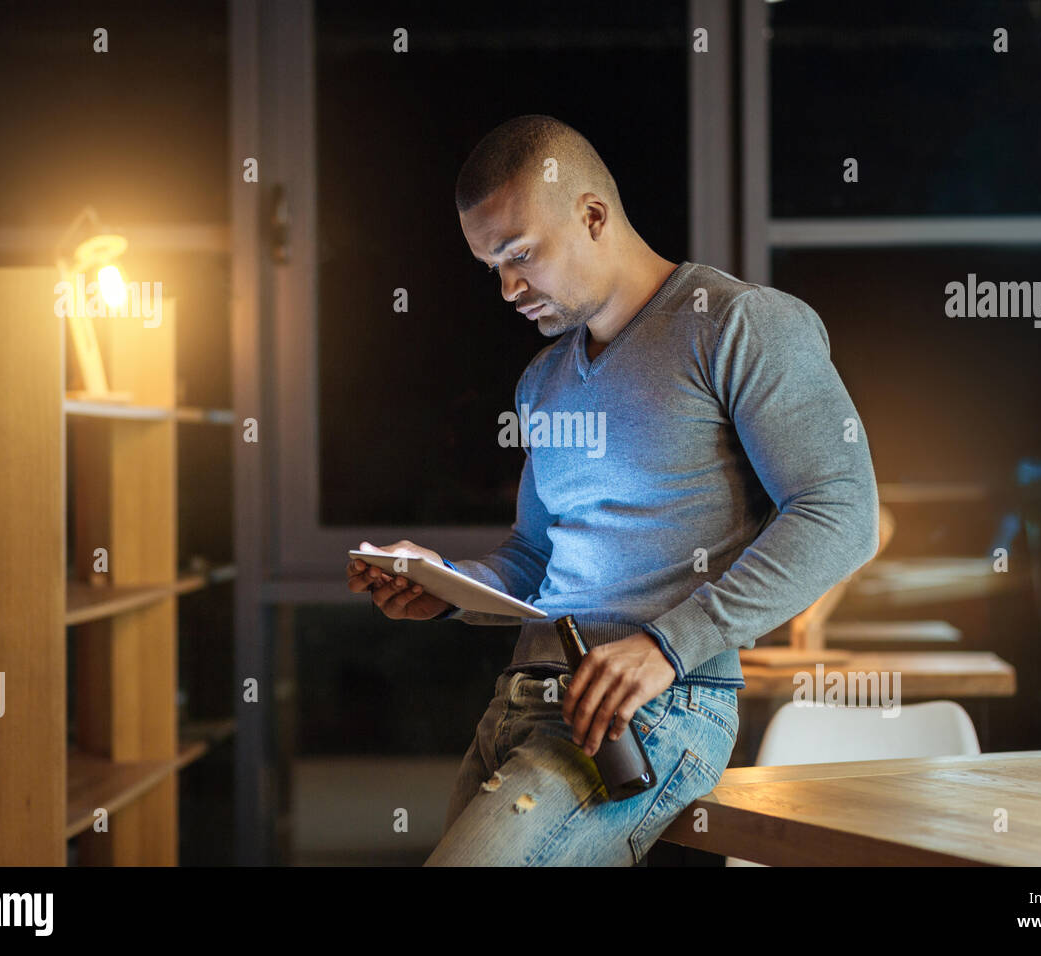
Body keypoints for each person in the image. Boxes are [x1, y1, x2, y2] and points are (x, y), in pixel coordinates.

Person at [345, 114, 880, 866]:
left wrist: (668, 646)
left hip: (655, 708)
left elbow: (842, 513)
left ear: (593, 215)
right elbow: (533, 556)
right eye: (491, 266)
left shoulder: (741, 326)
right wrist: (447, 585)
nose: (507, 288)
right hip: (519, 703)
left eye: (520, 254)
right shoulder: (543, 381)